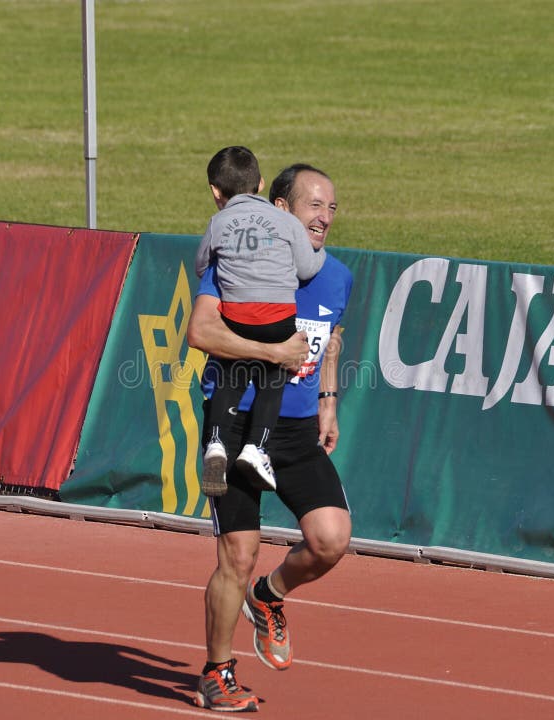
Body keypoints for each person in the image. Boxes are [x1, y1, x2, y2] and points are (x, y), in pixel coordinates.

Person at [187, 164, 353, 712]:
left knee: (331, 538)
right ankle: (216, 672)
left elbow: (331, 338)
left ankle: (270, 595)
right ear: (280, 208)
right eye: (313, 205)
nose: (324, 217)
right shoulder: (239, 261)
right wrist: (273, 353)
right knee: (238, 554)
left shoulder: (337, 276)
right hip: (235, 427)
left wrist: (328, 401)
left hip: (298, 429)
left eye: (331, 207)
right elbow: (203, 331)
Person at [195, 147, 326, 498]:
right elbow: (306, 268)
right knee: (273, 379)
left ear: (215, 192)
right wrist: (320, 252)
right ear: (261, 183)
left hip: (237, 314)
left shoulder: (218, 222)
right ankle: (257, 448)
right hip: (278, 316)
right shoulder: (284, 221)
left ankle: (217, 443)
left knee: (229, 373)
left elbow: (202, 263)